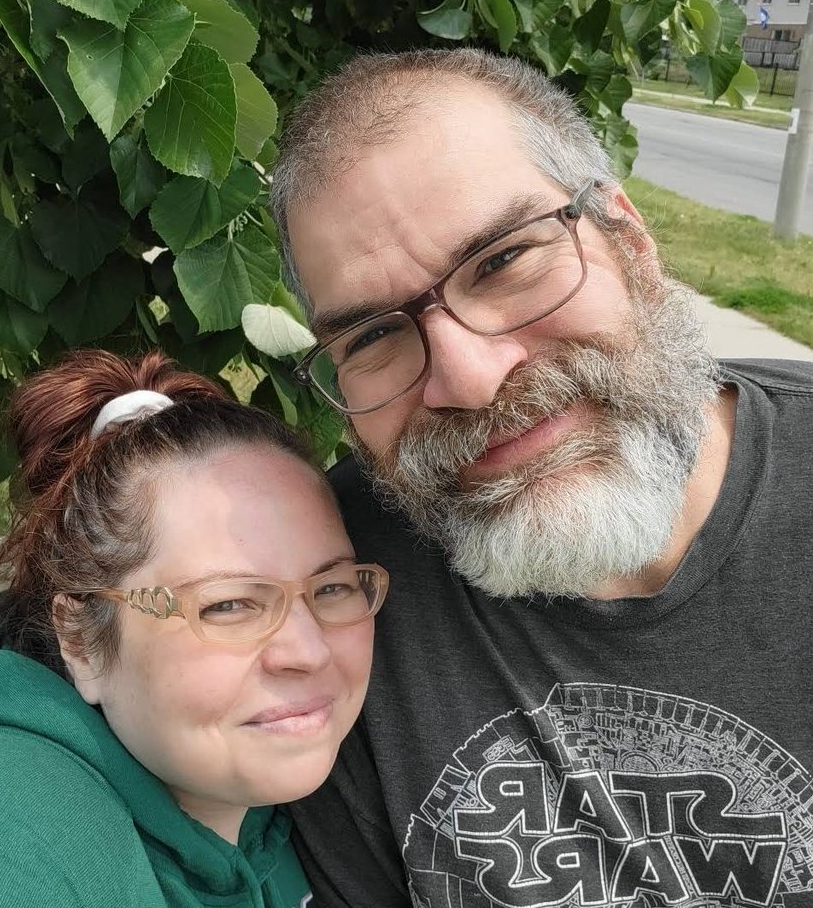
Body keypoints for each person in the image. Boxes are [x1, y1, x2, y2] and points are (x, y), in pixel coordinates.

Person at [269, 47, 813, 907]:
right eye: (371, 335)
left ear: (630, 243)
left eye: (504, 261)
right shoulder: (325, 584)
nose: (472, 381)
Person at [0, 348, 388, 907]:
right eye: (226, 605)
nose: (309, 650)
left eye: (331, 588)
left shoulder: (280, 797)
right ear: (81, 642)